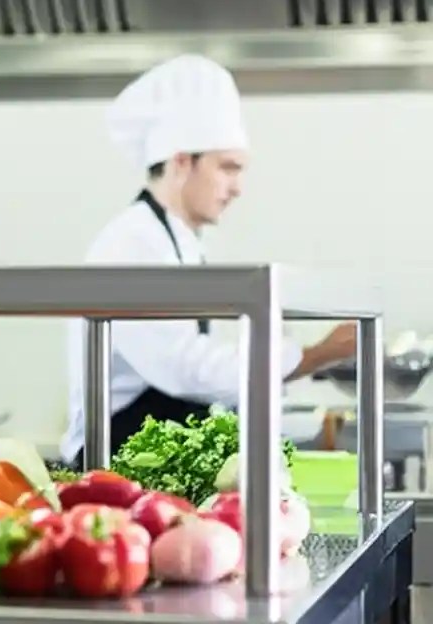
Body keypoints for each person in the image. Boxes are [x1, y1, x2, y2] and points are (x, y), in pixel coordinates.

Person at [60, 54, 356, 468]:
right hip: (117, 460)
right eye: (228, 168)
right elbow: (184, 367)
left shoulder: (178, 240)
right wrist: (313, 355)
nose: (237, 189)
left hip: (151, 454)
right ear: (182, 162)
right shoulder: (132, 243)